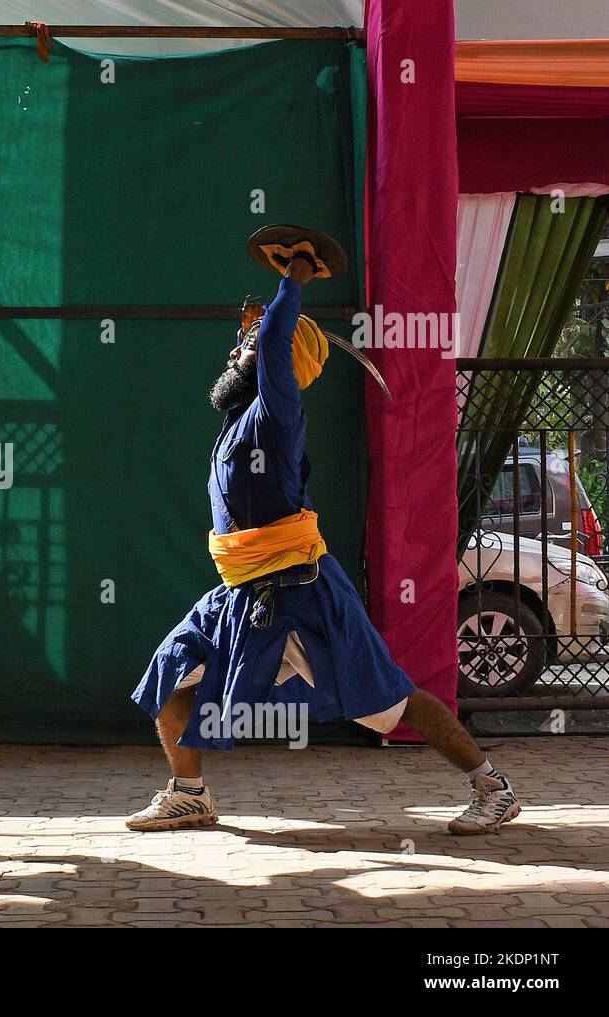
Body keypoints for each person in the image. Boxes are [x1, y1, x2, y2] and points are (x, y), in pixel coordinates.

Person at [126, 253, 521, 836]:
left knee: (389, 702)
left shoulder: (277, 415)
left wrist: (293, 282)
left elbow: (276, 344)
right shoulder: (238, 426)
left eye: (251, 347)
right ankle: (190, 795)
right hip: (241, 592)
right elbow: (263, 341)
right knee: (172, 668)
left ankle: (494, 788)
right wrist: (259, 320)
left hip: (307, 593)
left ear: (278, 363)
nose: (235, 352)